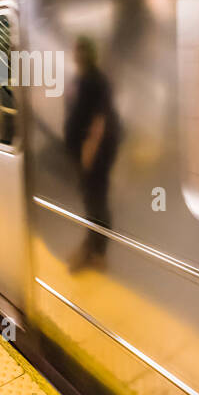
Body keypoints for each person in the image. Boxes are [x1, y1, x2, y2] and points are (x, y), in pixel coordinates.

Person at [63, 37, 120, 272]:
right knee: (90, 201)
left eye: (78, 51)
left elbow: (99, 120)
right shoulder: (82, 77)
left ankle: (98, 254)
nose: (75, 55)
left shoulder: (96, 79)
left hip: (95, 153)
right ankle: (91, 247)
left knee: (97, 201)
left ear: (87, 53)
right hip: (84, 151)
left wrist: (88, 152)